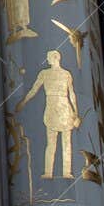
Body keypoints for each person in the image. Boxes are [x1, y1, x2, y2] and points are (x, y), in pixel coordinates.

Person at [17, 48, 82, 179]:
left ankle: (66, 172)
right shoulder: (45, 73)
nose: (47, 60)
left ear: (55, 58)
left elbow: (72, 94)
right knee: (52, 142)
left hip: (64, 108)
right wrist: (23, 102)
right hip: (53, 108)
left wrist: (76, 112)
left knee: (65, 142)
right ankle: (48, 172)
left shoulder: (65, 74)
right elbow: (34, 89)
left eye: (49, 57)